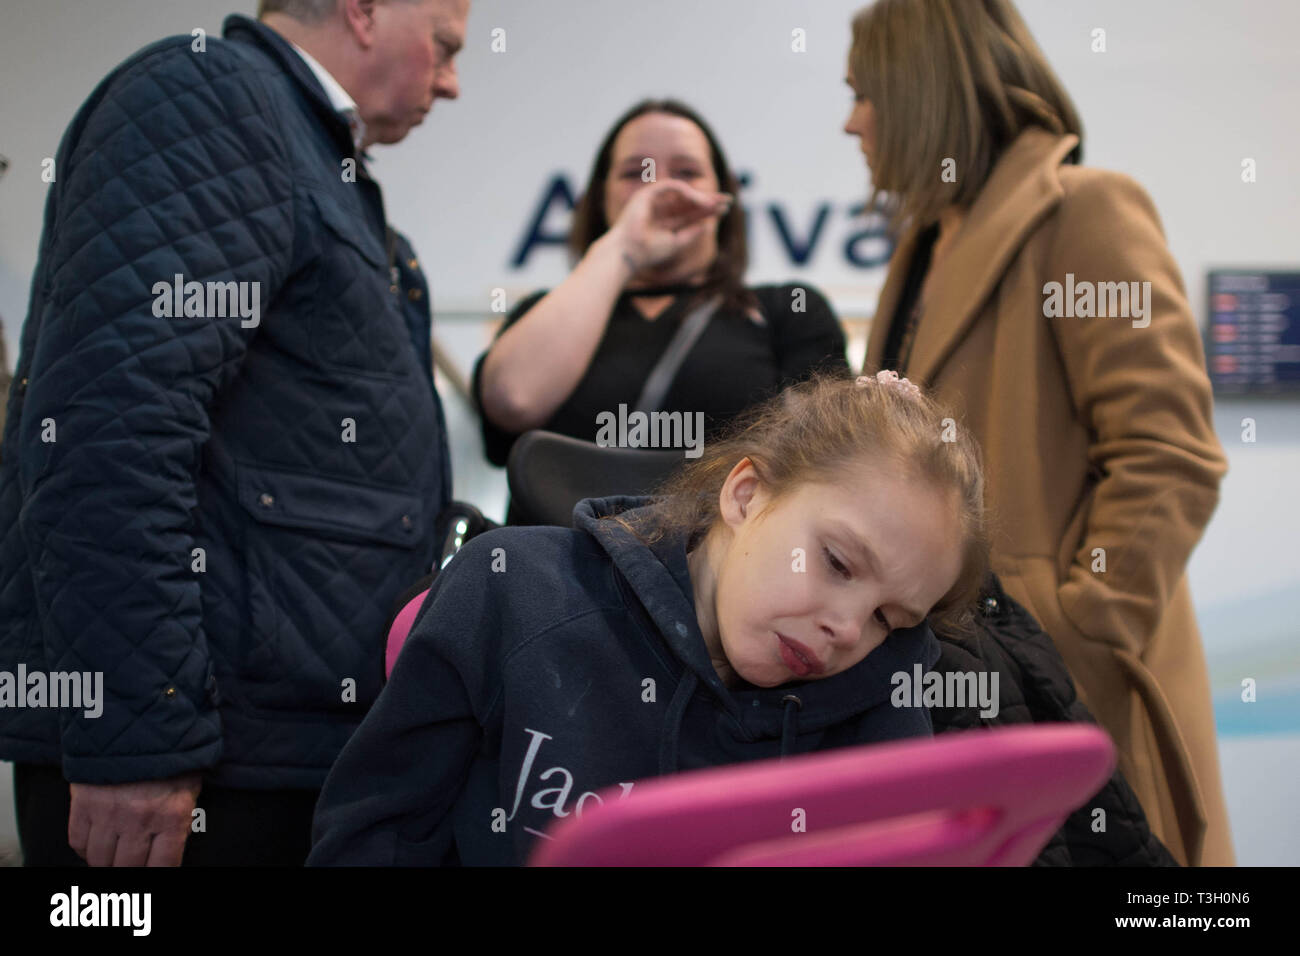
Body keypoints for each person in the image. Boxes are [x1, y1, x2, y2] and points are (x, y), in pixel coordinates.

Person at [0, 0, 468, 866]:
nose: (452, 82)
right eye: (442, 47)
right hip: (195, 766)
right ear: (364, 12)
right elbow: (111, 424)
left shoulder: (307, 157)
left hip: (270, 746)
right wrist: (136, 731)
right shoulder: (212, 102)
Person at [308, 371, 989, 865]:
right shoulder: (512, 593)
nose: (849, 630)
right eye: (838, 563)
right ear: (747, 495)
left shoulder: (879, 696)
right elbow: (373, 837)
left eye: (888, 619)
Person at [844, 0, 1230, 865]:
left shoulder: (1085, 210)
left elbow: (1171, 455)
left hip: (1066, 683)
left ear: (920, 89)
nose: (851, 121)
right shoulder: (922, 246)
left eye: (863, 92)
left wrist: (1082, 625)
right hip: (958, 681)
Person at [473, 99, 849, 507]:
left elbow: (825, 466)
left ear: (722, 197)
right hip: (555, 564)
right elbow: (512, 399)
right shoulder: (543, 312)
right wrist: (623, 247)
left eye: (687, 172)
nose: (661, 189)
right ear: (601, 198)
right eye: (636, 174)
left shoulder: (785, 312)